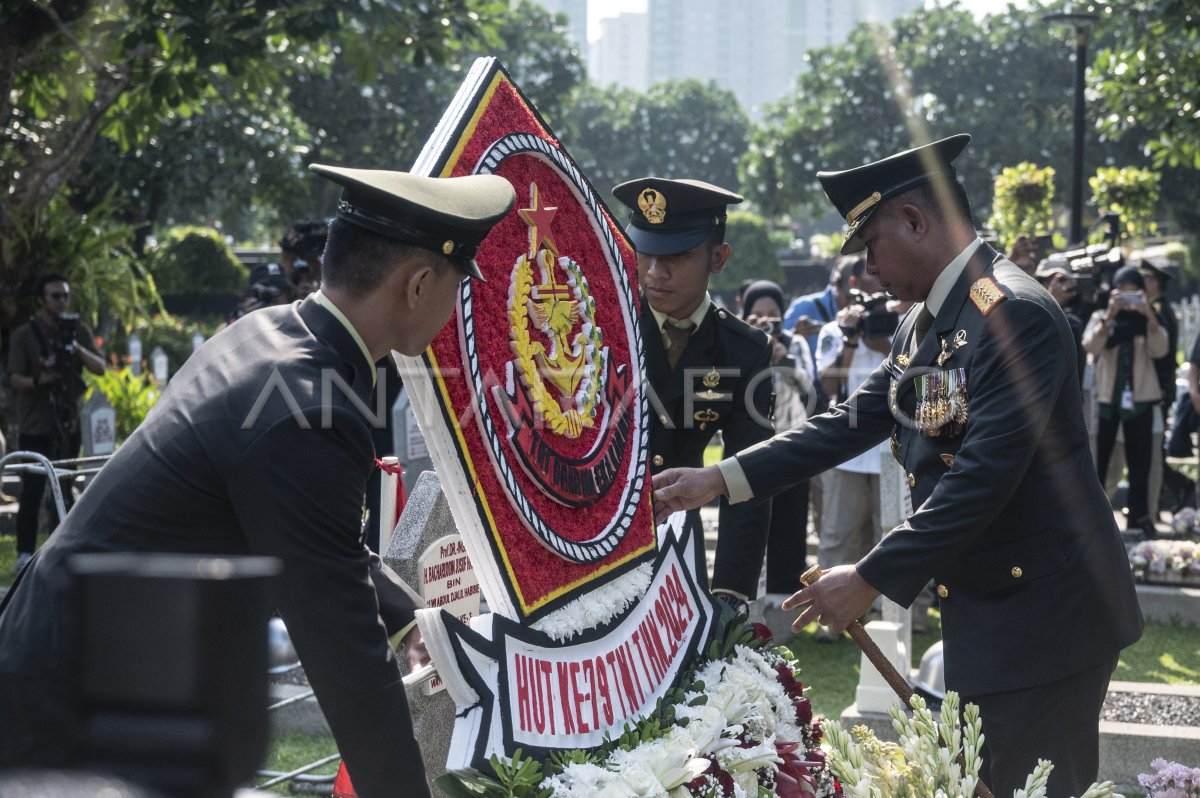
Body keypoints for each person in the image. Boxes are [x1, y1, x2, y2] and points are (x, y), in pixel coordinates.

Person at [650, 134, 1144, 798]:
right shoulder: (930, 324)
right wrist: (718, 479)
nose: (868, 272)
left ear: (915, 221)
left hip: (1044, 625)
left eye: (871, 247)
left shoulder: (1013, 315)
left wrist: (871, 575)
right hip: (991, 615)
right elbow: (847, 422)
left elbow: (982, 476)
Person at [0, 164, 517, 798]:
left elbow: (318, 544)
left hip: (86, 657)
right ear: (416, 285)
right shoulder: (307, 405)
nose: (457, 304)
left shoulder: (273, 334)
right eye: (458, 285)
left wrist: (414, 621)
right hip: (80, 702)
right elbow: (342, 652)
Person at [611, 176, 775, 615]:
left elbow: (748, 474)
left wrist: (730, 594)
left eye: (676, 256)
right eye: (644, 251)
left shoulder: (744, 350)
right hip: (595, 539)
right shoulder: (601, 329)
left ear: (717, 258)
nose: (654, 272)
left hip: (677, 544)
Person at [6, 274, 106, 573]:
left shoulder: (78, 331)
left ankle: (58, 550)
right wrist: (39, 380)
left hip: (68, 423)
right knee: (33, 490)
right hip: (35, 423)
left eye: (65, 295)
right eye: (55, 296)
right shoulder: (24, 335)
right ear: (42, 300)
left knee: (63, 488)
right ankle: (24, 554)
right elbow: (13, 378)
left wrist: (76, 349)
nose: (62, 301)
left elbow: (100, 368)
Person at [741, 279, 816, 611]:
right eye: (759, 315)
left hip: (790, 441)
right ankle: (744, 592)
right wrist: (754, 349)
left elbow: (810, 388)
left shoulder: (795, 343)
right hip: (749, 442)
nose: (767, 321)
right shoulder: (738, 342)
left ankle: (785, 595)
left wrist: (782, 359)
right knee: (748, 517)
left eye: (773, 315)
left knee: (790, 518)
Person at [1082, 267, 1168, 536]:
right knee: (1100, 462)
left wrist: (1148, 315)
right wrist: (1110, 314)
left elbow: (1161, 349)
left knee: (1140, 463)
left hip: (1140, 400)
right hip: (1108, 400)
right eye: (1124, 295)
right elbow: (1091, 345)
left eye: (1135, 294)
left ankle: (1140, 518)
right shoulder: (1102, 316)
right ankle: (1095, 521)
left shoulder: (1149, 318)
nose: (1129, 300)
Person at [1033, 257, 1086, 384]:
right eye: (1047, 280)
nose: (1052, 285)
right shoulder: (1026, 311)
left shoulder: (1074, 323)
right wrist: (1052, 300)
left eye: (1061, 280)